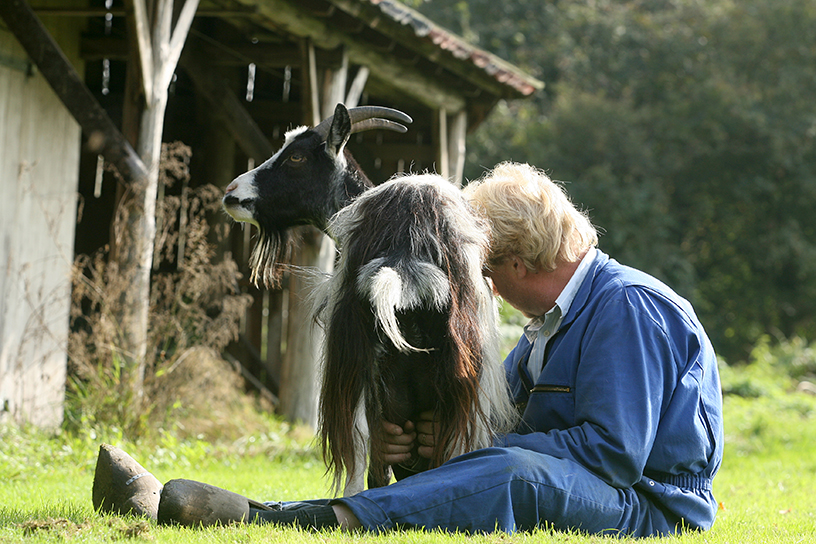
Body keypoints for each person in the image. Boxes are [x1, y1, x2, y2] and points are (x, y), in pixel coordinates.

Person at [95, 161, 723, 537]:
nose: (482, 285)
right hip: (590, 489)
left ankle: (273, 519)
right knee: (505, 467)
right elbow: (502, 427)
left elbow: (611, 454)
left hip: (649, 512)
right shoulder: (549, 326)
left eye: (483, 268)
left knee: (510, 472)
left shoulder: (628, 308)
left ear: (521, 259)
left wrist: (484, 449)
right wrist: (433, 444)